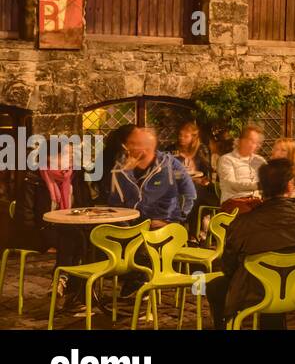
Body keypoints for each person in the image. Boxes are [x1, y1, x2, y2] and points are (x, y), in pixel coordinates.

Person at [207, 158, 295, 327]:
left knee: (215, 287)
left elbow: (228, 267)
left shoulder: (242, 223)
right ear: (290, 186)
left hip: (255, 293)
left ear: (261, 187)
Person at [14, 141, 93, 305]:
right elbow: (24, 214)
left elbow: (85, 205)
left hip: (71, 227)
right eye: (66, 154)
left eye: (72, 154)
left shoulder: (76, 176)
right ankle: (76, 291)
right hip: (40, 229)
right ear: (49, 157)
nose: (71, 158)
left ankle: (64, 283)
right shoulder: (33, 179)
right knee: (76, 238)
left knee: (86, 237)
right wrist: (39, 237)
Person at [107, 127, 196, 227]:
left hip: (163, 225)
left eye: (132, 143)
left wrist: (173, 220)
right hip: (132, 225)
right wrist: (125, 226)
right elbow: (115, 203)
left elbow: (189, 194)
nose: (127, 146)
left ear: (145, 149)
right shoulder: (120, 168)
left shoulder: (170, 165)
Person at [169, 121, 217, 211]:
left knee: (197, 192)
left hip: (199, 185)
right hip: (177, 184)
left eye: (186, 136)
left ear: (193, 138)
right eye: (180, 135)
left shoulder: (202, 150)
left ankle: (193, 219)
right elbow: (168, 173)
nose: (181, 138)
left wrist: (203, 180)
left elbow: (207, 173)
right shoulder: (171, 149)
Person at [217, 126, 266, 212]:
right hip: (233, 201)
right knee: (251, 215)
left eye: (257, 142)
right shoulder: (226, 160)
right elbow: (232, 184)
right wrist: (258, 185)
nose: (255, 145)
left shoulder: (260, 161)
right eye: (251, 141)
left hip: (256, 201)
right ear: (241, 141)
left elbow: (269, 179)